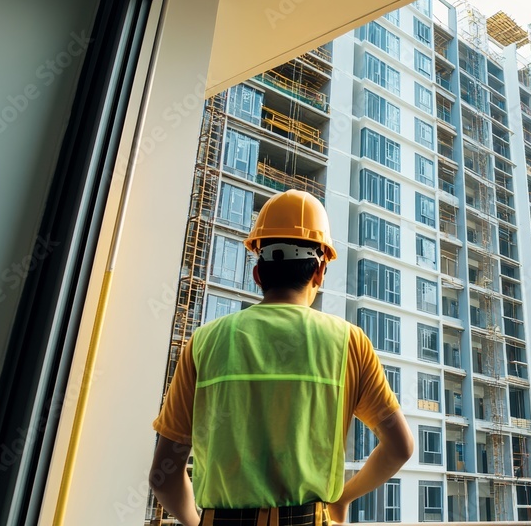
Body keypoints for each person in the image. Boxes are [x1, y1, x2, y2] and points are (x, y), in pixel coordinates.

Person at [149, 189, 413, 526]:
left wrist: (198, 521)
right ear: (319, 272)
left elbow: (164, 476)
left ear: (258, 275)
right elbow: (400, 447)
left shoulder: (205, 342)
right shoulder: (349, 342)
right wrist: (342, 497)